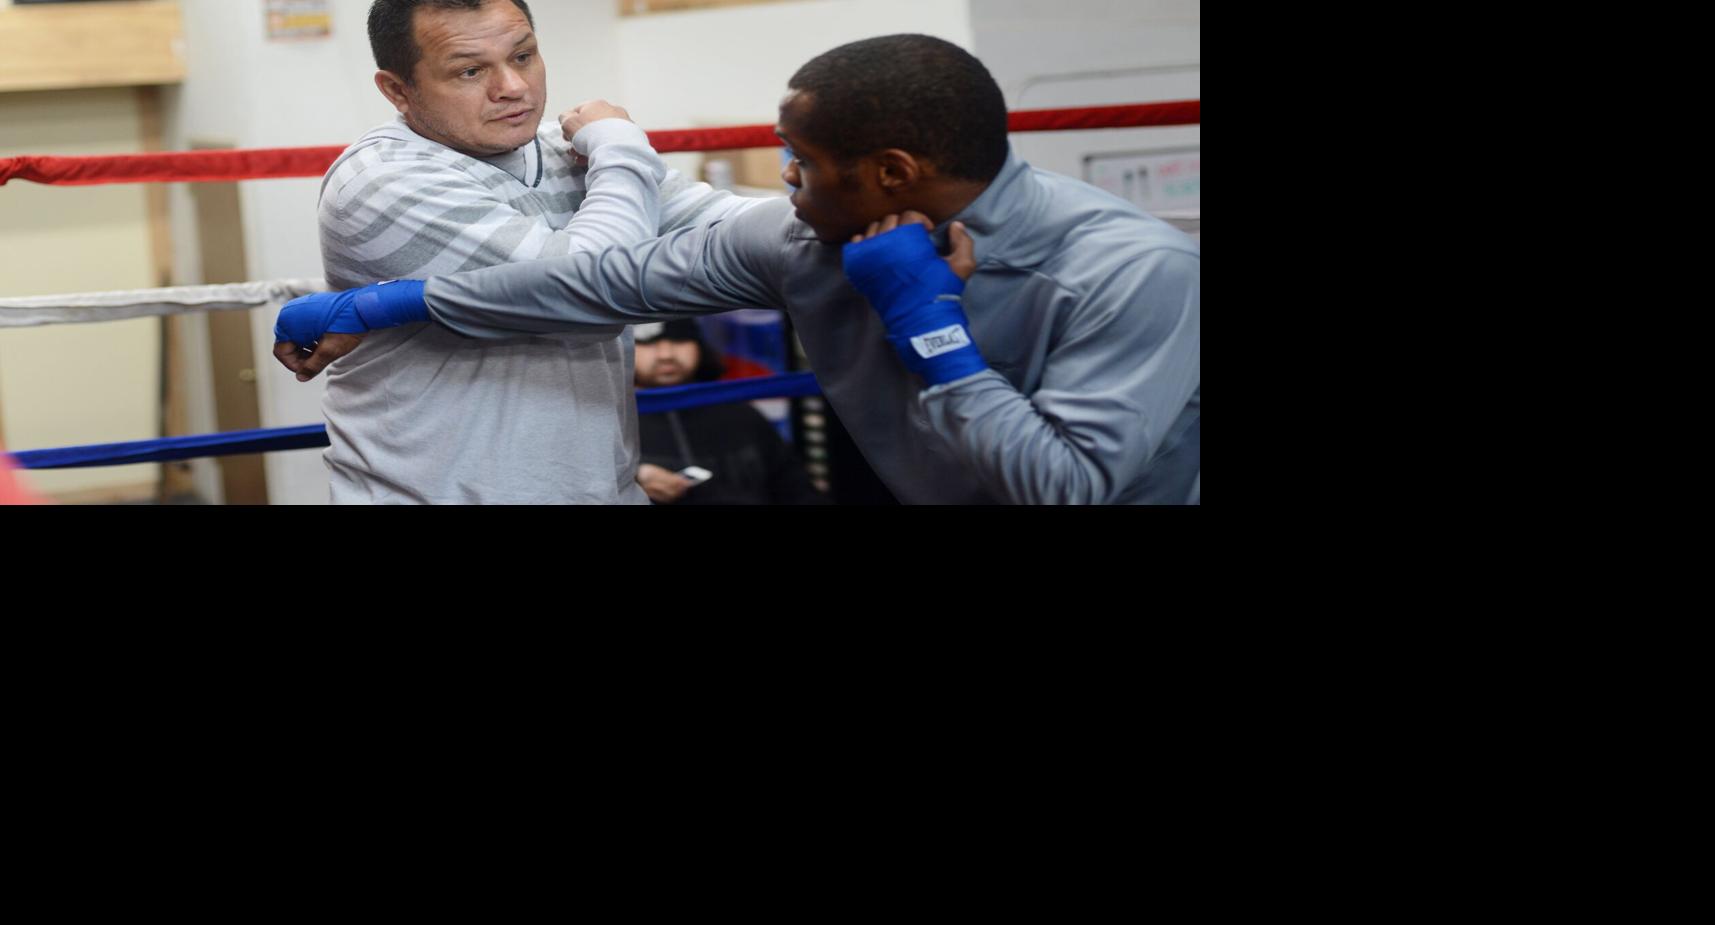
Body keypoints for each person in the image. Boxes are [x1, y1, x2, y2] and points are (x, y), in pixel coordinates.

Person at [278, 33, 1200, 505]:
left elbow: (1064, 487)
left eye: (800, 159)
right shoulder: (802, 238)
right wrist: (390, 301)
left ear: (890, 175)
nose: (784, 179)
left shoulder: (1131, 272)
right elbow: (597, 280)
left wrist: (934, 330)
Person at [274, 0, 756, 503]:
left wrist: (839, 224)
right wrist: (619, 144)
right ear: (398, 90)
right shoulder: (382, 180)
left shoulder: (568, 151)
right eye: (470, 70)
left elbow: (729, 223)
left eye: (523, 56)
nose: (514, 87)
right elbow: (592, 288)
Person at [632, 320, 827, 505]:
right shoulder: (615, 422)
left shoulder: (742, 414)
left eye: (680, 339)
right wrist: (632, 478)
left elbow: (796, 491)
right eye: (648, 342)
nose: (666, 354)